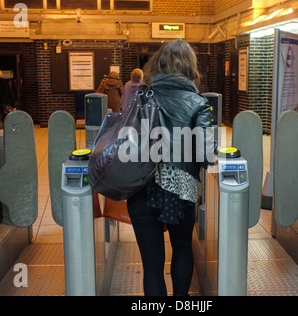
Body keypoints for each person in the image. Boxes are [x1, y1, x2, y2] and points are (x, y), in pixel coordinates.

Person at [127, 40, 213, 296]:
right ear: (190, 67)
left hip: (142, 186)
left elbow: (128, 142)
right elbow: (206, 154)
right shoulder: (199, 103)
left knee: (152, 265)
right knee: (182, 247)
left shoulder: (141, 97)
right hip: (181, 191)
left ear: (159, 64)